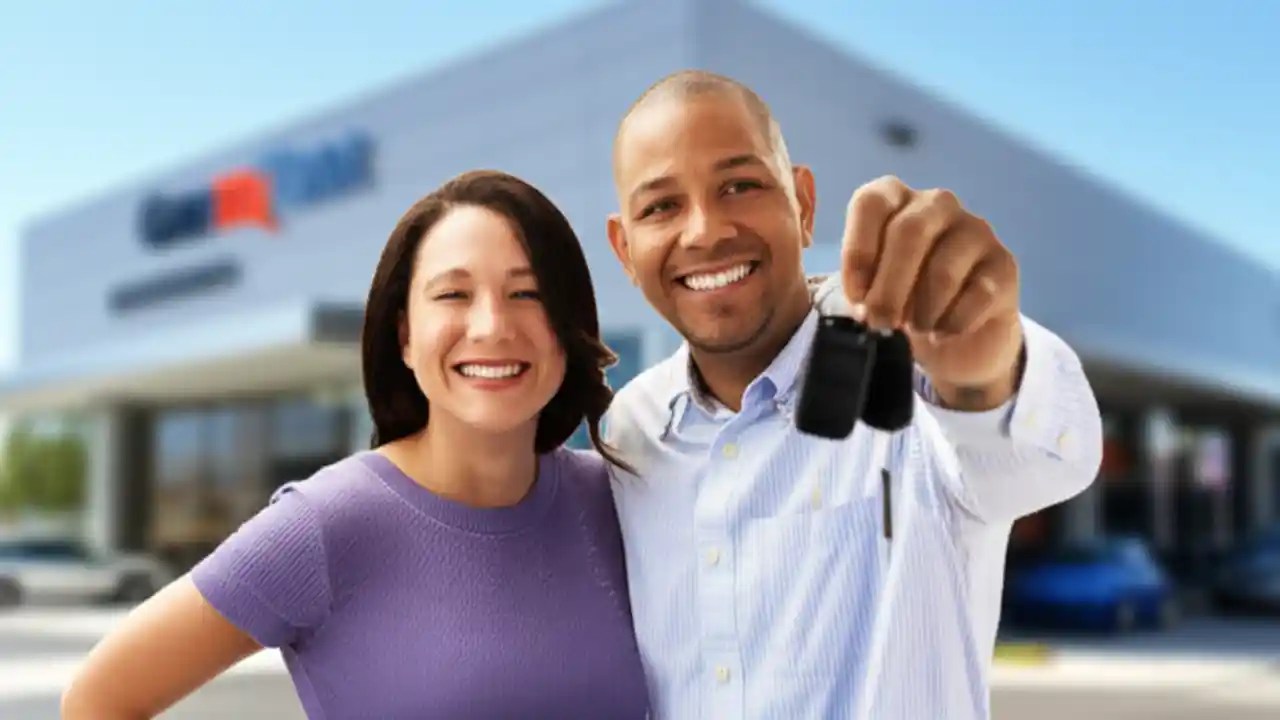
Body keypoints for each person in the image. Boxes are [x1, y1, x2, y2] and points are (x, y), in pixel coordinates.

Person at [602, 70, 1104, 719]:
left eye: (740, 185)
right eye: (661, 206)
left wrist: (984, 367)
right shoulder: (627, 433)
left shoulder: (914, 367)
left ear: (802, 203)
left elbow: (1047, 456)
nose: (704, 231)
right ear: (624, 248)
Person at [60, 170, 651, 719]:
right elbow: (99, 699)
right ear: (404, 335)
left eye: (528, 293)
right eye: (453, 295)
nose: (492, 325)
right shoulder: (325, 525)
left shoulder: (614, 499)